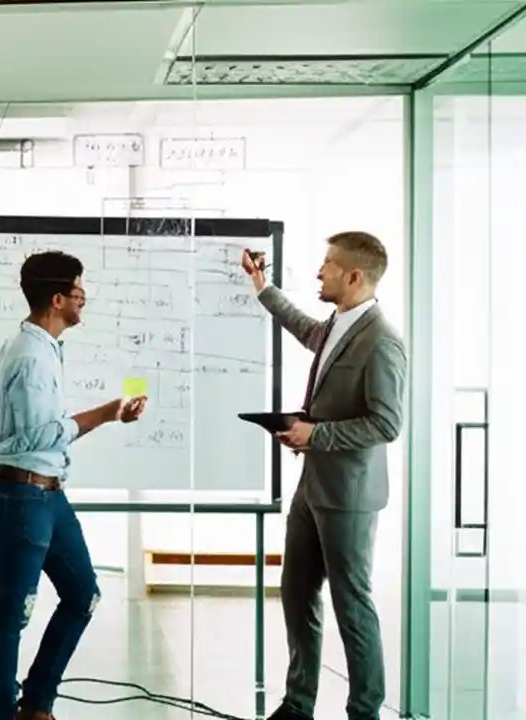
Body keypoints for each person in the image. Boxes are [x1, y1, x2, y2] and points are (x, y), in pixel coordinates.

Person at [242, 233, 406, 720]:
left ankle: (365, 712)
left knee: (351, 605)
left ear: (354, 276)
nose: (319, 271)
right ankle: (298, 705)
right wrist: (262, 287)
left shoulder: (382, 341)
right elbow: (304, 328)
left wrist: (316, 434)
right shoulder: (337, 323)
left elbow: (387, 424)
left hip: (349, 495)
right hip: (311, 488)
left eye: (328, 264)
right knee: (297, 594)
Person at [0, 250, 147, 720]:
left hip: (47, 494)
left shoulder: (45, 347)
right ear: (57, 299)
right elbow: (40, 434)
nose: (83, 298)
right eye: (78, 290)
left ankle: (37, 702)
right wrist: (106, 413)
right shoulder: (32, 354)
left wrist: (109, 413)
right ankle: (5, 711)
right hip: (23, 496)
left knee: (82, 594)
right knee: (13, 612)